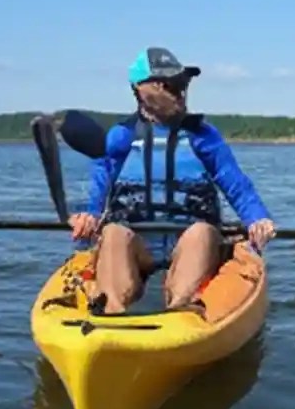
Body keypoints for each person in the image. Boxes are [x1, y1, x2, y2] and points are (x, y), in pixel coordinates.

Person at [66, 47, 276, 316]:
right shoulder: (122, 135)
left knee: (201, 232)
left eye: (183, 84)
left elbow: (235, 183)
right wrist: (89, 216)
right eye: (169, 85)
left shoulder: (203, 135)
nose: (180, 92)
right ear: (140, 89)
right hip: (137, 241)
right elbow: (100, 179)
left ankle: (181, 309)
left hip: (190, 240)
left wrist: (257, 218)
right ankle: (110, 313)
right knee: (113, 233)